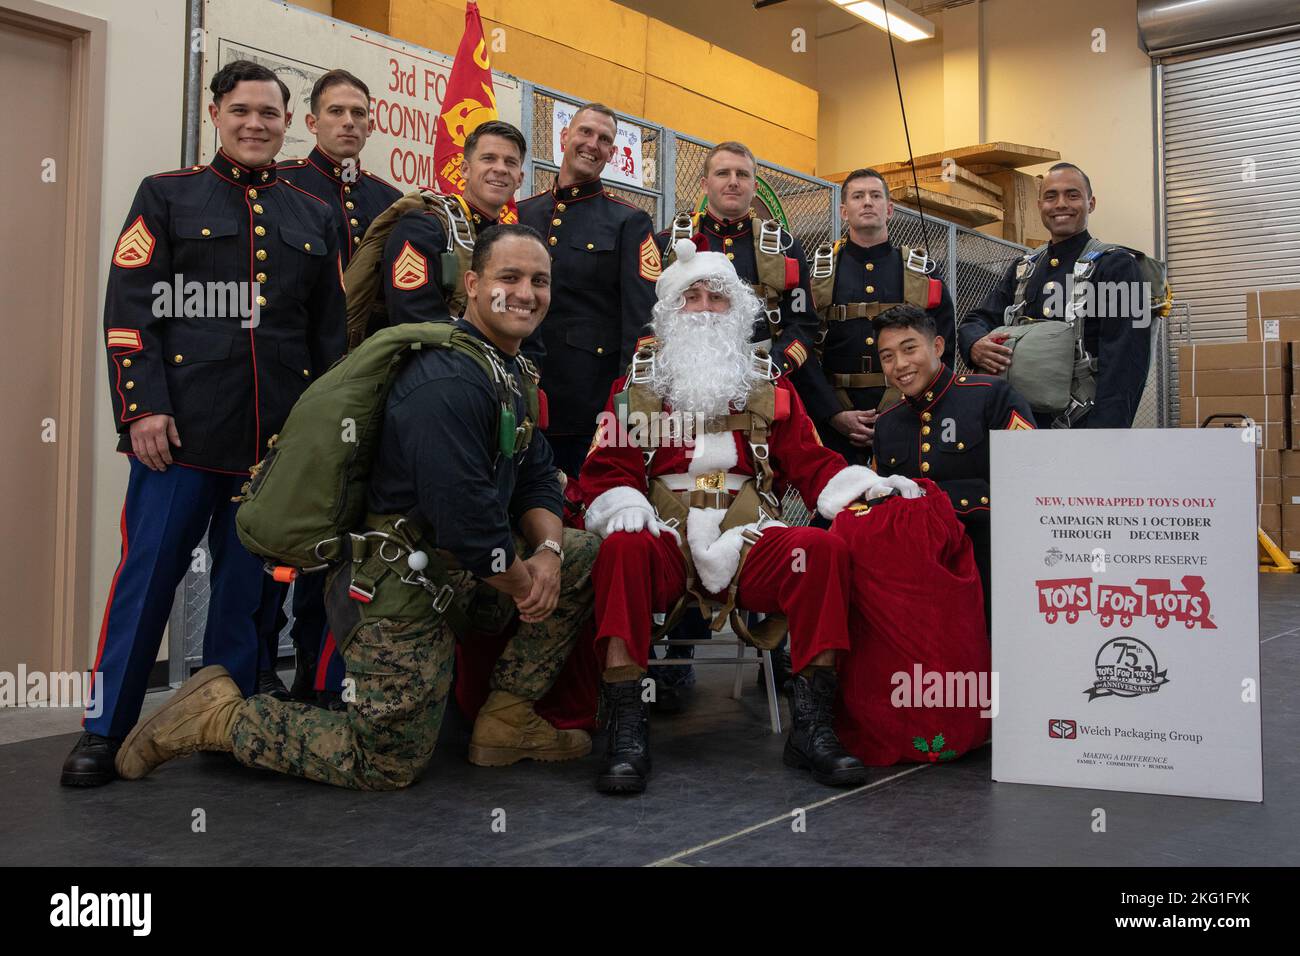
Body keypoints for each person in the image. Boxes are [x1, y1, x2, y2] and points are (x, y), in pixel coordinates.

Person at [113, 225, 601, 791]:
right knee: (387, 763)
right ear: (471, 284)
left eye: (539, 281)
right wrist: (524, 584)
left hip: (458, 569)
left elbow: (537, 473)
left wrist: (545, 553)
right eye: (508, 277)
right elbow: (466, 518)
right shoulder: (447, 379)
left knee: (580, 553)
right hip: (395, 584)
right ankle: (221, 716)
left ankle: (506, 722)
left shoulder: (509, 370)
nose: (526, 292)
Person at [60, 60, 346, 786]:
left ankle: (231, 724)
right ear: (215, 113)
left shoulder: (312, 214)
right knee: (146, 582)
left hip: (270, 450)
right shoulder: (166, 195)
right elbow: (130, 313)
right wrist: (142, 406)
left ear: (288, 122)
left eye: (270, 113)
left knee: (247, 598)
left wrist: (321, 439)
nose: (256, 124)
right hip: (179, 440)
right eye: (242, 110)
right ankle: (105, 728)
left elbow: (328, 341)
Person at [578, 238, 922, 794]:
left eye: (719, 298)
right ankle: (626, 728)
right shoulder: (633, 388)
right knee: (621, 548)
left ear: (737, 311)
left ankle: (811, 728)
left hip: (748, 534)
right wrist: (624, 505)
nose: (708, 309)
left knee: (824, 550)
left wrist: (865, 487)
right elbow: (605, 470)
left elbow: (814, 464)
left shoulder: (769, 385)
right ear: (671, 312)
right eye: (694, 298)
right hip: (662, 534)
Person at [652, 141, 840, 699]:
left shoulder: (783, 246)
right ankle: (676, 659)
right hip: (683, 381)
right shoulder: (669, 242)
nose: (733, 182)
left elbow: (803, 323)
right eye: (722, 173)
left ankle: (780, 651)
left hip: (753, 386)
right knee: (678, 486)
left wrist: (775, 367)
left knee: (753, 500)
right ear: (705, 182)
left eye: (743, 174)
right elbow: (654, 314)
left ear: (755, 184)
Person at [276, 68, 401, 705]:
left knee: (346, 533)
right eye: (336, 112)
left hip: (368, 391)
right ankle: (257, 674)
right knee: (289, 529)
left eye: (359, 112)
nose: (349, 123)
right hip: (302, 390)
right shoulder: (286, 187)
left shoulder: (389, 199)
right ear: (311, 121)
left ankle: (322, 673)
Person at [518, 102, 659, 479]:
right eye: (585, 132)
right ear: (564, 137)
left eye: (604, 139)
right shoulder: (520, 214)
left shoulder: (629, 220)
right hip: (516, 393)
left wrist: (624, 408)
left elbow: (643, 322)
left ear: (612, 153)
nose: (592, 144)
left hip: (587, 406)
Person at [872, 305, 1035, 629]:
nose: (900, 365)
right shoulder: (887, 423)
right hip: (915, 573)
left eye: (909, 349)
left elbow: (1031, 480)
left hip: (991, 566)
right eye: (887, 357)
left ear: (937, 347)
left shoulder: (990, 396)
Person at [957, 163, 1151, 429]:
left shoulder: (1118, 266)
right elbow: (977, 319)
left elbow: (1127, 362)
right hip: (1018, 424)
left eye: (1072, 195)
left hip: (1083, 426)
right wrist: (974, 344)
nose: (1061, 204)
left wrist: (1107, 435)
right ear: (1040, 206)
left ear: (1090, 203)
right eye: (1051, 196)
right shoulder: (1023, 268)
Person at [813, 169, 955, 465]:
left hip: (907, 416)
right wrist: (832, 413)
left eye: (875, 196)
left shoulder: (921, 270)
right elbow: (803, 349)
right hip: (835, 426)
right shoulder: (819, 273)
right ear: (843, 211)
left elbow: (943, 346)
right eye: (858, 196)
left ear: (889, 209)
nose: (867, 202)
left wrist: (908, 407)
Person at [376, 120, 527, 331]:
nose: (500, 169)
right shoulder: (422, 228)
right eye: (488, 158)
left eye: (510, 162)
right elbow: (415, 323)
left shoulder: (516, 245)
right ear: (465, 169)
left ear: (520, 178)